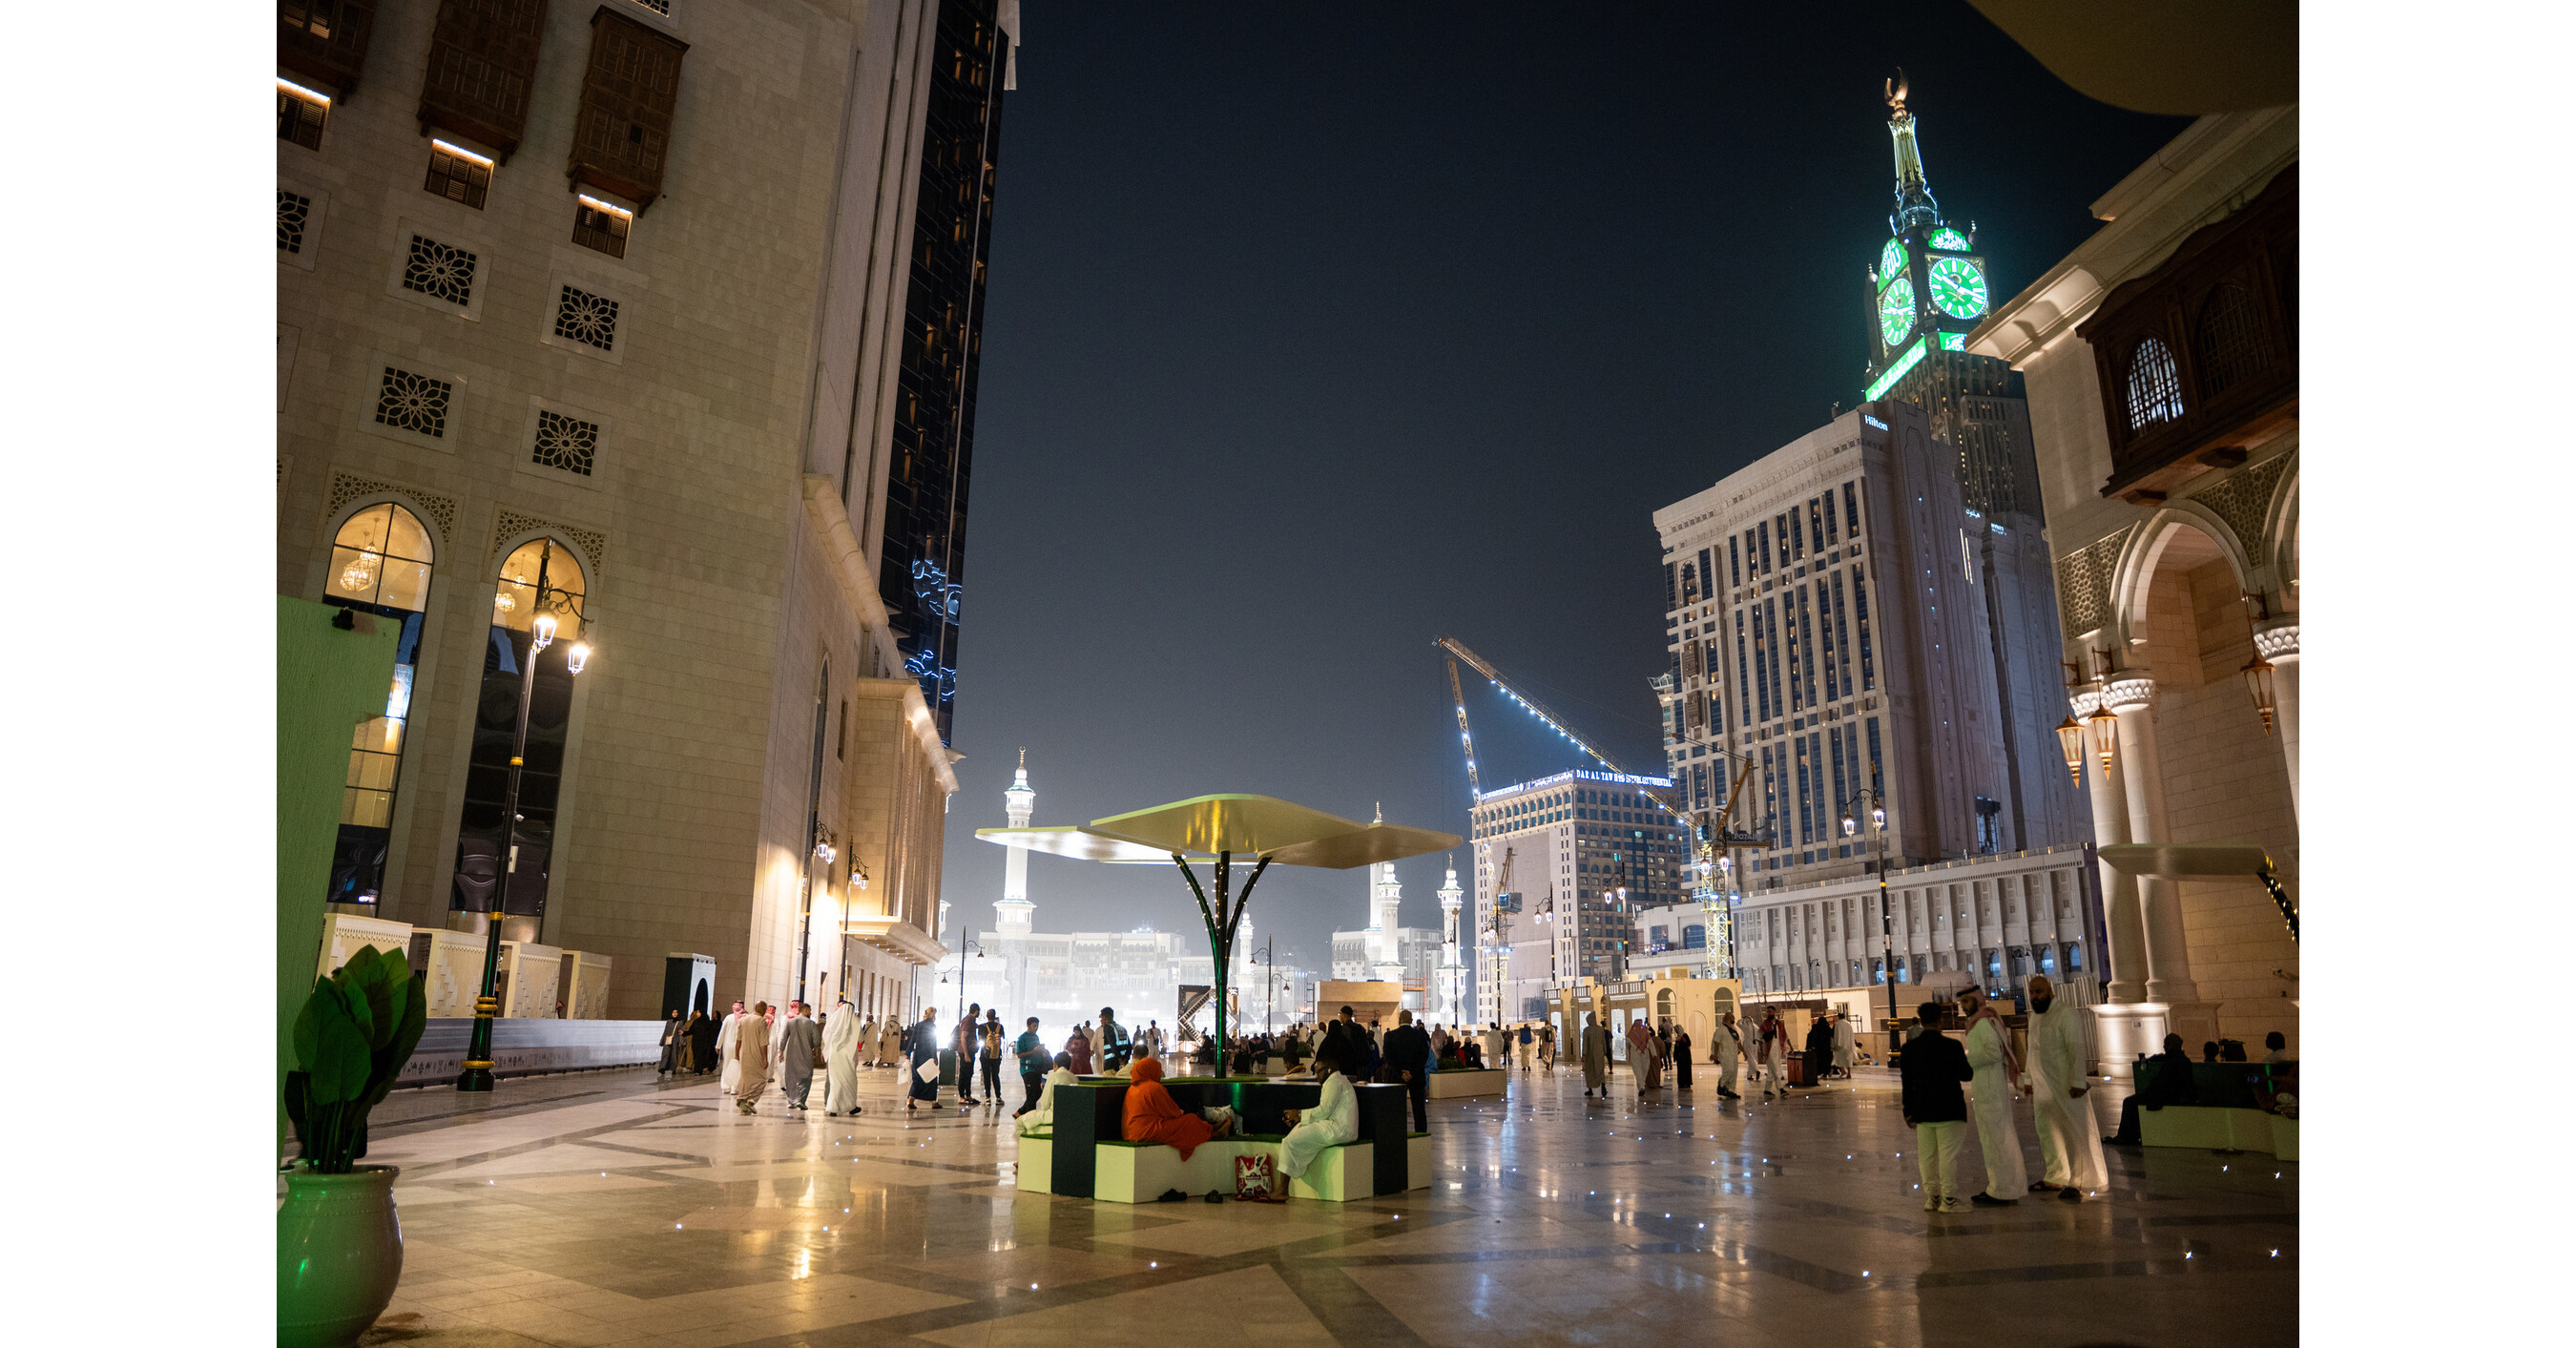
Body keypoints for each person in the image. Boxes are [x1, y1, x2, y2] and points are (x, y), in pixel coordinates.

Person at [2018, 975, 2100, 1202]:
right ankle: (2056, 1175)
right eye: (2032, 992)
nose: (2035, 997)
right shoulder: (2035, 1016)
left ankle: (2078, 1181)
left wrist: (2077, 1081)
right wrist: (2028, 1080)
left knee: (2073, 1131)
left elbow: (2076, 1048)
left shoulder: (2065, 1013)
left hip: (2066, 1087)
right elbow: (2032, 1050)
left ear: (2050, 992)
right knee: (2047, 1132)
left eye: (2039, 992)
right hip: (2043, 1089)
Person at [1900, 1000, 1976, 1214]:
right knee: (1947, 1156)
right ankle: (1948, 1199)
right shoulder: (1952, 1046)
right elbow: (1966, 1074)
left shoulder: (1909, 1049)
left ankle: (1932, 1197)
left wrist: (1908, 1111)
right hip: (1950, 1109)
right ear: (1940, 1020)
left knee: (1926, 1156)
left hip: (1922, 1110)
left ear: (1921, 1021)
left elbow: (1907, 1083)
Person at [1957, 988, 2025, 1204]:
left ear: (1978, 1000)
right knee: (1994, 1141)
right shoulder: (1979, 1023)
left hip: (1990, 1090)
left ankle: (2002, 1189)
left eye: (1967, 1001)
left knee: (1997, 1141)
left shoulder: (1984, 1024)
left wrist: (1965, 1059)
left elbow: (1994, 1053)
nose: (1963, 1005)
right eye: (1962, 1002)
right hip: (1986, 1088)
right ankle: (2001, 1187)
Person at [1278, 1047, 1360, 1192]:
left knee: (1290, 1141)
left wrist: (1300, 1114)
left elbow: (1324, 1110)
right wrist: (1299, 1118)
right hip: (1334, 1126)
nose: (1316, 1076)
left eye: (1318, 1071)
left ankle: (1282, 1190)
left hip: (1339, 1130)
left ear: (1328, 1070)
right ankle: (1282, 1189)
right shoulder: (1336, 1080)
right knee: (1296, 1132)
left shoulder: (1334, 1081)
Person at [2110, 1033, 2199, 1145]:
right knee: (2132, 1102)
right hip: (2164, 1094)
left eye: (2166, 1044)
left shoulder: (2176, 1061)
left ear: (2172, 1045)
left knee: (2129, 1102)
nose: (2164, 1047)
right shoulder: (2178, 1059)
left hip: (2165, 1096)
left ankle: (2126, 1136)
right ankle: (2130, 1135)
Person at [1384, 1009, 1433, 1133]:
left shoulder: (1390, 1035)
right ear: (1411, 1020)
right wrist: (1412, 1071)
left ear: (1399, 1020)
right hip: (1416, 1077)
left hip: (1397, 1077)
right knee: (1419, 1108)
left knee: (1397, 1108)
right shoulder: (1420, 1035)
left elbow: (1388, 1058)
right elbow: (1424, 1055)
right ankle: (1421, 1134)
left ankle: (1397, 1133)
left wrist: (1401, 1073)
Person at [727, 1001, 774, 1115]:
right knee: (762, 1080)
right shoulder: (761, 1021)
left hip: (744, 1055)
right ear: (763, 1009)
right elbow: (763, 1043)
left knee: (745, 1081)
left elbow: (738, 1040)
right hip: (756, 1055)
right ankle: (751, 1102)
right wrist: (764, 1059)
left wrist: (737, 1054)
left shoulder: (743, 1020)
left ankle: (743, 1107)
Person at [776, 1001, 821, 1112]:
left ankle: (791, 1100)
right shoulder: (810, 1023)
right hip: (805, 1053)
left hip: (791, 1053)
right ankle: (801, 1099)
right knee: (805, 1075)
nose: (810, 1012)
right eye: (809, 1010)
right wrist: (816, 1050)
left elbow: (783, 1037)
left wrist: (781, 1050)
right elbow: (816, 1040)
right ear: (806, 1010)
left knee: (791, 1076)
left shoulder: (790, 1022)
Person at [821, 996, 863, 1116]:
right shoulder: (855, 1022)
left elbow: (825, 1036)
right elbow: (861, 1038)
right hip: (848, 1057)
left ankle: (833, 1108)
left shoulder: (833, 1020)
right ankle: (851, 1106)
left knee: (836, 1083)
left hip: (834, 1055)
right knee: (849, 1083)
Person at [1018, 1054, 1077, 1137]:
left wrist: (1043, 1090)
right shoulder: (1074, 1078)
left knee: (1020, 1122)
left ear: (1055, 1065)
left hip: (1054, 1115)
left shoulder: (1053, 1077)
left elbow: (1045, 1104)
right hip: (1071, 1115)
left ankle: (1028, 1144)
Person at [905, 1006, 943, 1112]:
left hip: (918, 1055)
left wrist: (908, 1053)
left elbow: (913, 1040)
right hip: (927, 1055)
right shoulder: (932, 1026)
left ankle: (911, 1100)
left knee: (917, 1078)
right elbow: (932, 1043)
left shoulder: (918, 1025)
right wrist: (934, 1057)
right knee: (931, 1078)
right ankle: (933, 1102)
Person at [717, 1000, 749, 1095]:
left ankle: (726, 1087)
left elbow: (722, 1032)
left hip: (727, 1045)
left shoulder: (728, 1017)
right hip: (740, 1045)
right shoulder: (746, 1017)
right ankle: (734, 1088)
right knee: (738, 1066)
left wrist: (718, 1045)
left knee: (726, 1065)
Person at [1625, 1016, 1660, 1101]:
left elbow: (1627, 1044)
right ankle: (1642, 1085)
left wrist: (1627, 1053)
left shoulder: (1631, 1033)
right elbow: (1650, 1043)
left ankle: (1641, 1086)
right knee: (1644, 1069)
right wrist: (1654, 1054)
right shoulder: (1645, 1033)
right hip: (1645, 1053)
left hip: (1635, 1054)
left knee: (1638, 1071)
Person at [1708, 1011, 1741, 1100]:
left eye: (1733, 1017)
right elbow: (1716, 1042)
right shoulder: (1721, 1029)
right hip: (1725, 1054)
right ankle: (1721, 1085)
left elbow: (1738, 1041)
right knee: (1729, 1070)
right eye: (1731, 1017)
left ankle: (1731, 1090)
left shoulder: (1734, 1029)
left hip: (1733, 1054)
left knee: (1734, 1072)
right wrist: (1715, 1054)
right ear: (1726, 1019)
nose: (1733, 1019)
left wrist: (1744, 1051)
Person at [1802, 1013, 1837, 1093]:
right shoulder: (1827, 1028)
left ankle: (1818, 1072)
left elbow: (1810, 1036)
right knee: (1826, 1061)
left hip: (1818, 1049)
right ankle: (1825, 1073)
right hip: (1826, 1049)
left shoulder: (1815, 1027)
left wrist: (1809, 1046)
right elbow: (1832, 1035)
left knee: (1818, 1061)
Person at [979, 1009, 1007, 1108]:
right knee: (995, 1076)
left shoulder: (982, 1027)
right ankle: (998, 1098)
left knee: (986, 1077)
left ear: (987, 1016)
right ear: (995, 1016)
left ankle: (988, 1098)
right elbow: (1002, 1038)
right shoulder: (1000, 1027)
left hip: (985, 1055)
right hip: (996, 1055)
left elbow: (980, 1039)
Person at [1581, 1011, 1610, 1099]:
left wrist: (1584, 1054)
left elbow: (1585, 1043)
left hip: (1590, 1054)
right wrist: (1604, 1051)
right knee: (1600, 1071)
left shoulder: (1586, 1030)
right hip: (1599, 1053)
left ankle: (1590, 1089)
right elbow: (1603, 1041)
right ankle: (1603, 1087)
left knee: (1589, 1071)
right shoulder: (1600, 1029)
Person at [1098, 1006, 1131, 1072]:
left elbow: (1113, 1044)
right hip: (1124, 1062)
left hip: (1111, 1063)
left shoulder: (1108, 1028)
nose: (1101, 1020)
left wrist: (1120, 1059)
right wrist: (1125, 1059)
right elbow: (1129, 1046)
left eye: (1101, 1017)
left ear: (1104, 1017)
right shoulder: (1122, 1028)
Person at [687, 1010, 718, 1075]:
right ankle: (697, 1069)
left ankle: (698, 1070)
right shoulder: (696, 1022)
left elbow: (710, 1033)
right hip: (696, 1042)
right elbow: (691, 1030)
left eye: (699, 1012)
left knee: (701, 1056)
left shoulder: (707, 1023)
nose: (697, 1014)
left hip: (704, 1043)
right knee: (696, 1056)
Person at [656, 1011, 684, 1076]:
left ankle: (673, 1069)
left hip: (675, 1041)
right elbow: (665, 1031)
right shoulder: (668, 1022)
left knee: (674, 1054)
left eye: (676, 1013)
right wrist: (662, 1041)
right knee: (665, 1054)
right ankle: (662, 1068)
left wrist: (681, 1042)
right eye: (673, 1012)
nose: (675, 1014)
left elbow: (681, 1033)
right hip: (668, 1040)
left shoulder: (680, 1023)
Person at [1832, 1012, 1857, 1080]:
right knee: (1848, 1059)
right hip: (1848, 1044)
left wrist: (1834, 1044)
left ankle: (1843, 1071)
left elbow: (1836, 1035)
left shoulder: (1837, 1024)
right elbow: (1852, 1035)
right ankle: (1849, 1073)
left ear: (1838, 1017)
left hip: (1840, 1045)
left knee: (1838, 1058)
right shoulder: (1849, 1024)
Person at [1672, 1024, 1694, 1092]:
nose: (1675, 1031)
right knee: (1681, 1070)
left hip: (1685, 1057)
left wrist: (1681, 1041)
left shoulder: (1684, 1036)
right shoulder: (1678, 1037)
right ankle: (1681, 1083)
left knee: (1686, 1070)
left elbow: (1688, 1044)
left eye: (1676, 1030)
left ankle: (1687, 1083)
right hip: (1680, 1058)